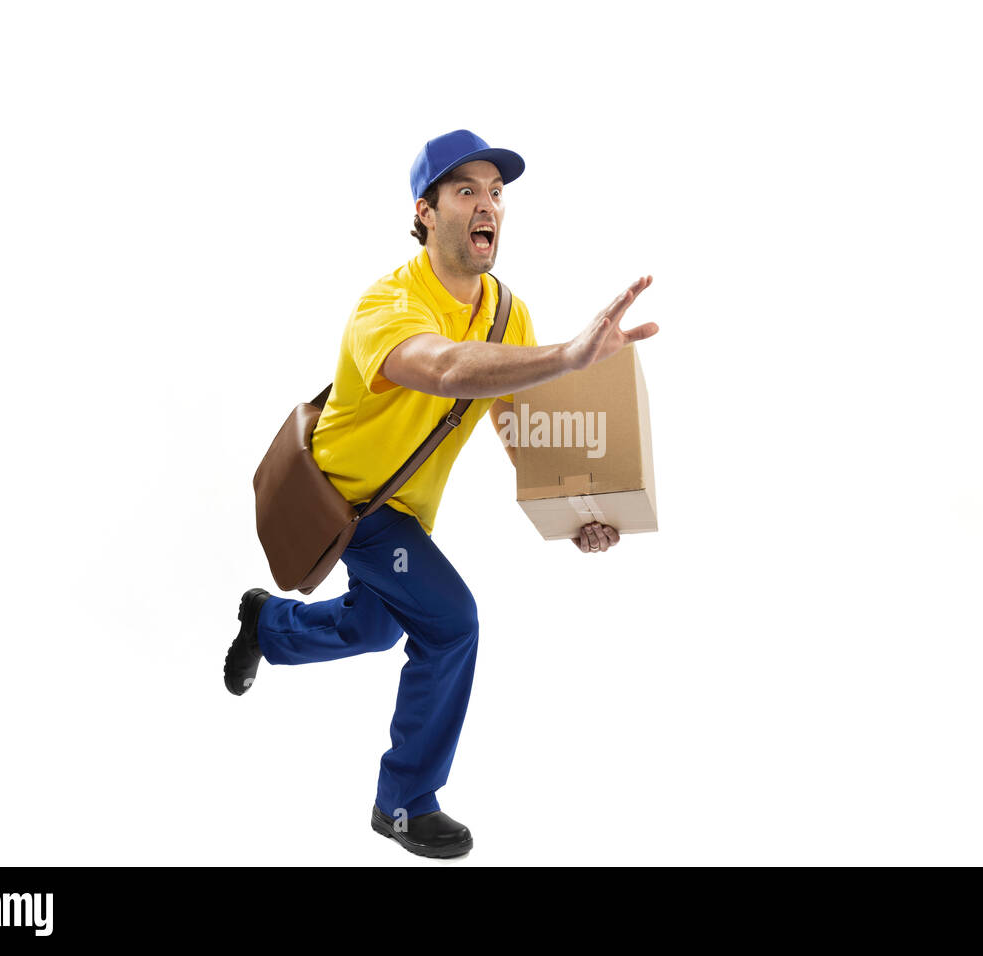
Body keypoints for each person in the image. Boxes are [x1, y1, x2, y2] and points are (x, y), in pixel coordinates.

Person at [223, 129, 657, 859]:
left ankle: (267, 628)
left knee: (377, 628)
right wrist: (569, 355)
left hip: (405, 512)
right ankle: (403, 802)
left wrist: (586, 513)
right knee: (451, 623)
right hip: (350, 503)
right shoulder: (387, 304)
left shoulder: (505, 313)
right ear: (425, 212)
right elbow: (450, 369)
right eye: (466, 191)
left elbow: (523, 427)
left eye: (496, 193)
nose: (487, 204)